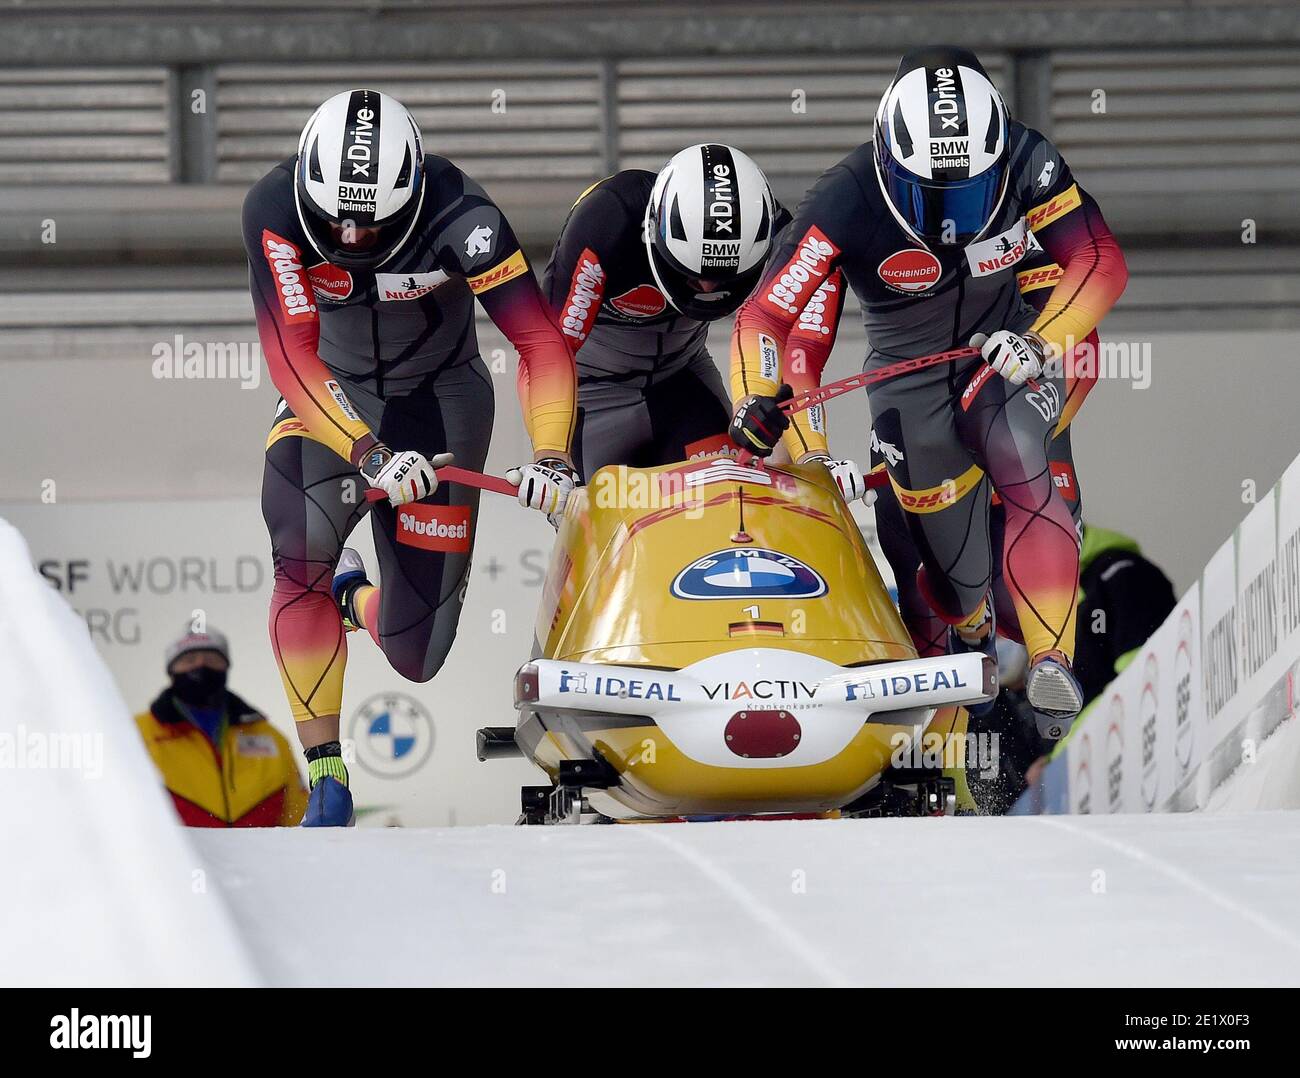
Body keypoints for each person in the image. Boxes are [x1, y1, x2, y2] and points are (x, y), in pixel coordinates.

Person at [728, 46, 1127, 739]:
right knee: (954, 583)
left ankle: (1049, 658)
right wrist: (756, 396)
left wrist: (1040, 340)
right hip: (909, 389)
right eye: (933, 194)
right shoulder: (846, 198)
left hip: (1005, 350)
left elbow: (1098, 260)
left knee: (1020, 451)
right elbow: (766, 316)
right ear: (889, 160)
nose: (951, 218)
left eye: (971, 191)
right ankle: (972, 626)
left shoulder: (1029, 160)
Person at [243, 89, 579, 825]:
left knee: (415, 653)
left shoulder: (467, 217)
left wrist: (551, 456)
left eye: (374, 225)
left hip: (440, 403)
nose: (354, 236)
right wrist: (365, 450)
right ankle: (327, 780)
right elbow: (291, 354)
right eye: (337, 222)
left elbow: (539, 343)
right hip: (331, 398)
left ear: (414, 194)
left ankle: (354, 602)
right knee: (298, 553)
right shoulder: (271, 208)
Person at [541, 143, 867, 501]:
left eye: (723, 277)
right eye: (692, 275)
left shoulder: (787, 240)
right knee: (599, 528)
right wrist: (551, 456)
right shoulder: (607, 220)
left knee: (728, 507)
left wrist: (813, 456)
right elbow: (551, 349)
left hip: (684, 382)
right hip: (591, 395)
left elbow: (798, 355)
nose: (708, 287)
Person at [134, 626, 308, 827]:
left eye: (211, 658)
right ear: (172, 670)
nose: (201, 665)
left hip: (262, 857)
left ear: (226, 666)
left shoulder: (270, 738)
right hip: (176, 858)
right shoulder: (137, 733)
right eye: (189, 660)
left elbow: (298, 817)